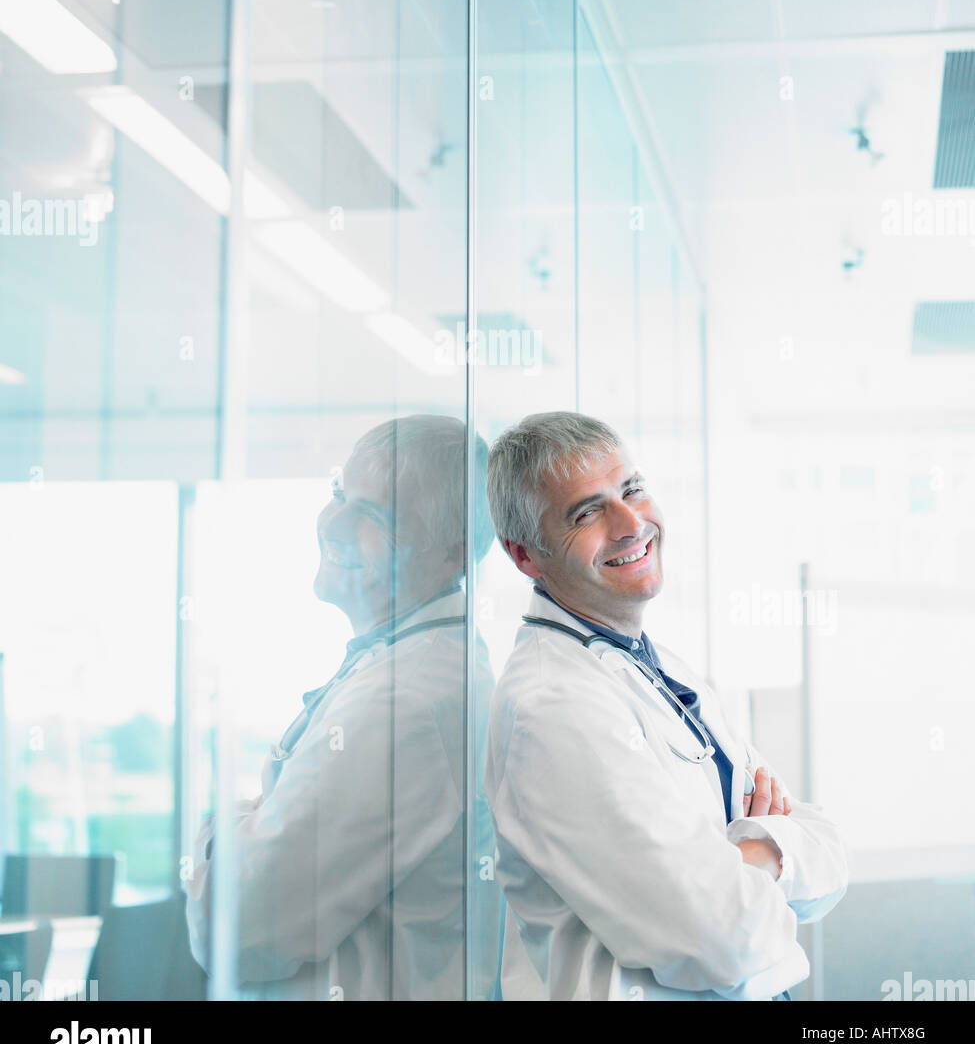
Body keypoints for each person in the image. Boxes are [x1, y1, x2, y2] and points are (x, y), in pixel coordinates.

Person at [484, 411, 847, 1001]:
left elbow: (829, 859)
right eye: (586, 512)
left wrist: (749, 859)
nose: (631, 523)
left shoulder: (664, 666)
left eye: (631, 489)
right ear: (526, 556)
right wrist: (769, 850)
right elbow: (724, 939)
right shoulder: (554, 708)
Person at [184, 414, 499, 1000]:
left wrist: (218, 831)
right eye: (338, 495)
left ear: (453, 555)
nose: (332, 523)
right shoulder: (408, 671)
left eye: (376, 517)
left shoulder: (405, 704)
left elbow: (234, 926)